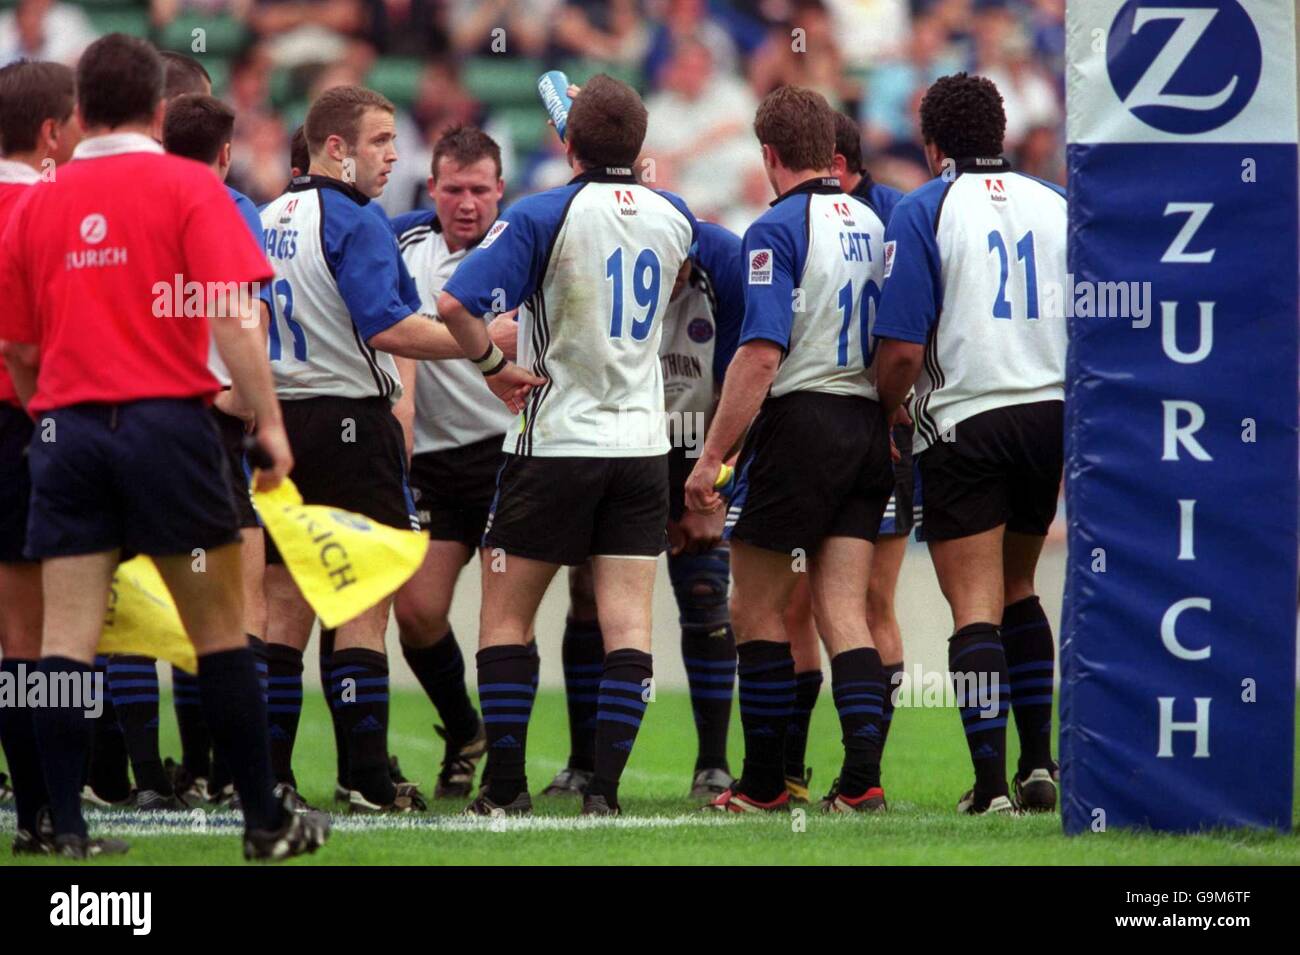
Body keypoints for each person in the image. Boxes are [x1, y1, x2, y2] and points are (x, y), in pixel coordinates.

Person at [0, 33, 328, 859]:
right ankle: (263, 821)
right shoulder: (188, 184)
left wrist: (56, 413)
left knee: (65, 639)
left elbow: (19, 350)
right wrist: (270, 421)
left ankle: (65, 828)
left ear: (79, 113)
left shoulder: (39, 201)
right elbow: (231, 313)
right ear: (157, 109)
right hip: (169, 428)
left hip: (68, 432)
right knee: (217, 629)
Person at [437, 74, 696, 817]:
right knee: (629, 625)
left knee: (506, 618)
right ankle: (605, 794)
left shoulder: (542, 212)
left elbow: (454, 302)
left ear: (568, 142)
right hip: (642, 446)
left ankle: (506, 788)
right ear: (640, 146)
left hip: (552, 440)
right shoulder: (674, 214)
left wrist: (493, 368)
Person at [257, 84, 482, 813]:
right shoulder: (355, 218)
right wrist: (480, 344)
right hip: (351, 423)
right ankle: (365, 776)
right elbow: (387, 327)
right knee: (360, 606)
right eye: (381, 140)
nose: (394, 154)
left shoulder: (267, 216)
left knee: (284, 607)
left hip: (281, 422)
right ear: (335, 147)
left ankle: (274, 778)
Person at [685, 85, 894, 814]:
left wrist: (712, 454)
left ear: (768, 154)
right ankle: (861, 778)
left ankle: (766, 783)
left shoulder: (773, 230)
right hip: (866, 424)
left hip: (800, 422)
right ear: (831, 153)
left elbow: (761, 354)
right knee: (845, 608)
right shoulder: (873, 220)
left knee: (758, 609)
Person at [872, 73, 1067, 815]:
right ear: (1004, 132)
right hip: (1049, 415)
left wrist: (887, 412)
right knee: (1022, 588)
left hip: (966, 419)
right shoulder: (1056, 203)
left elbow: (899, 350)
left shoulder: (926, 208)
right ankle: (1040, 763)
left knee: (973, 607)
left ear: (932, 144)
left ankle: (990, 785)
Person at [546, 220, 745, 800]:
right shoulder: (600, 278)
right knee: (587, 593)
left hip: (701, 451)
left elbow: (746, 378)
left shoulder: (724, 268)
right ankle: (582, 761)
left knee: (707, 590)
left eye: (681, 256)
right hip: (619, 450)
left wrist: (716, 484)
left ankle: (713, 763)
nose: (674, 267)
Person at [779, 112, 910, 803]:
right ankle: (830, 771)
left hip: (862, 422)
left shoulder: (876, 217)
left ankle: (858, 765)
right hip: (878, 423)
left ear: (832, 158)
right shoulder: (893, 216)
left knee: (854, 602)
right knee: (839, 604)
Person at [388, 124, 520, 799]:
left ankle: (505, 760)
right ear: (432, 189)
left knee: (499, 613)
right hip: (436, 459)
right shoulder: (404, 246)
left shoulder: (523, 243)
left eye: (478, 189)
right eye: (452, 189)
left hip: (508, 455)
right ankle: (463, 726)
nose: (466, 202)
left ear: (500, 189)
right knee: (416, 610)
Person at [162, 90, 278, 809]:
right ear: (226, 153)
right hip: (210, 425)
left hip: (107, 421)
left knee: (123, 606)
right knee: (238, 608)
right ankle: (244, 780)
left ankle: (123, 779)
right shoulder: (228, 210)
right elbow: (245, 326)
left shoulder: (115, 204)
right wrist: (260, 417)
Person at [0, 57, 80, 855]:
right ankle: (47, 814)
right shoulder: (53, 209)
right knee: (41, 637)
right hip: (31, 425)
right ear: (53, 131)